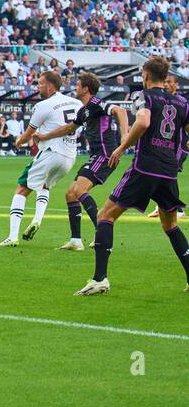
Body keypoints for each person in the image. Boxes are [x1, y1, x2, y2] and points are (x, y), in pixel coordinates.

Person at [77, 57, 189, 296]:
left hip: (144, 167)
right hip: (169, 171)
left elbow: (144, 121)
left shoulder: (143, 95)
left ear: (146, 75)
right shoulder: (182, 102)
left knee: (105, 216)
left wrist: (121, 147)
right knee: (170, 225)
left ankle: (100, 279)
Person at [31, 71, 128, 250]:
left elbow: (120, 111)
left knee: (79, 189)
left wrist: (124, 137)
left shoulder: (97, 104)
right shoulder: (84, 111)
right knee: (70, 194)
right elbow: (68, 128)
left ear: (85, 89)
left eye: (77, 85)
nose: (74, 87)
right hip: (96, 156)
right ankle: (76, 241)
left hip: (105, 154)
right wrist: (44, 136)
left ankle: (102, 234)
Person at [0, 71, 82, 247]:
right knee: (44, 186)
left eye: (40, 83)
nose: (38, 87)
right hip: (69, 157)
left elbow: (28, 133)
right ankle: (37, 219)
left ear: (50, 86)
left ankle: (12, 236)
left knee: (21, 189)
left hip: (51, 152)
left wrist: (19, 141)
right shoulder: (77, 103)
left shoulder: (44, 105)